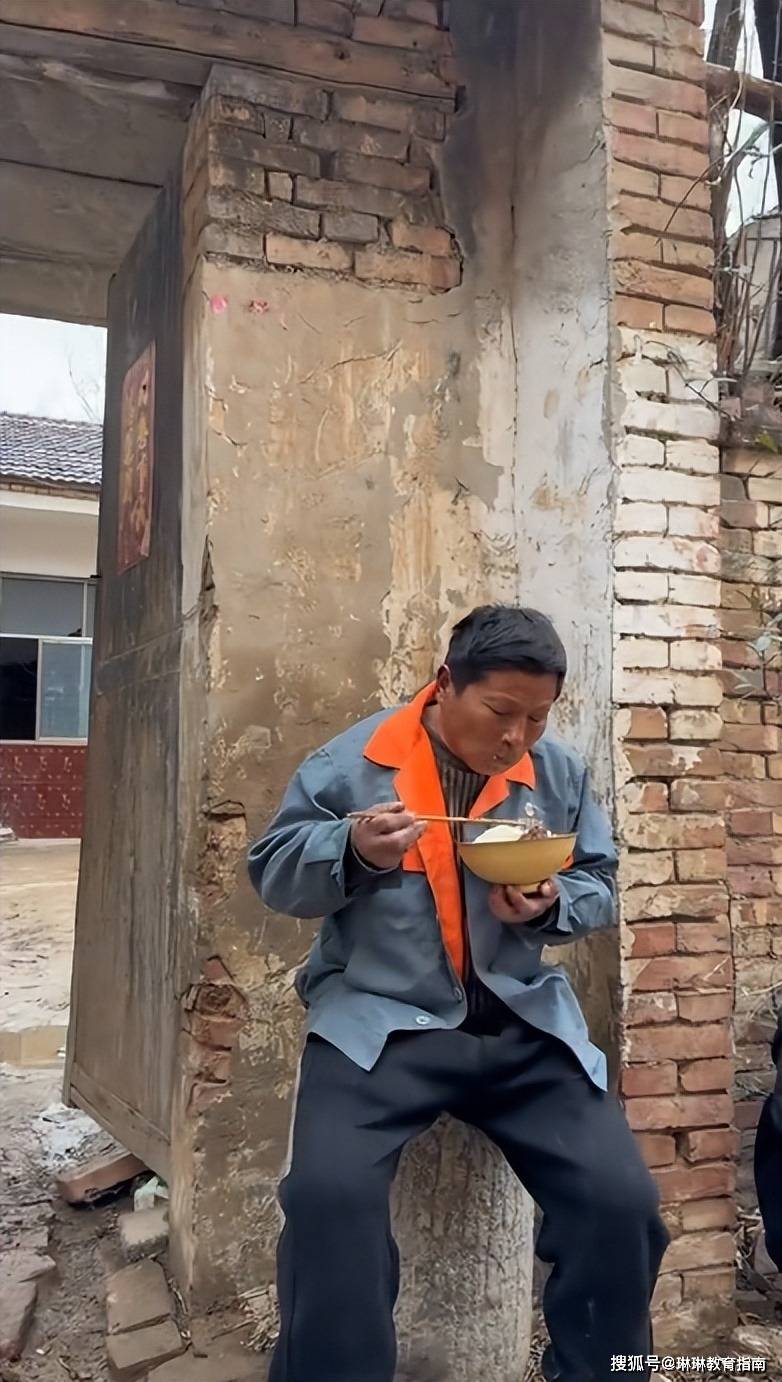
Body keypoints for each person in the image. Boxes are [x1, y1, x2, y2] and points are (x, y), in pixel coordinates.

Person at [248, 605, 668, 1382]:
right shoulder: (356, 762)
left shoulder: (557, 774)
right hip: (380, 1025)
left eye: (537, 718)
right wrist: (350, 848)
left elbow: (600, 884)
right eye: (501, 711)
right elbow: (273, 873)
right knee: (326, 1198)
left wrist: (550, 904)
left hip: (520, 1022)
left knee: (622, 1204)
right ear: (446, 683)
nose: (517, 737)